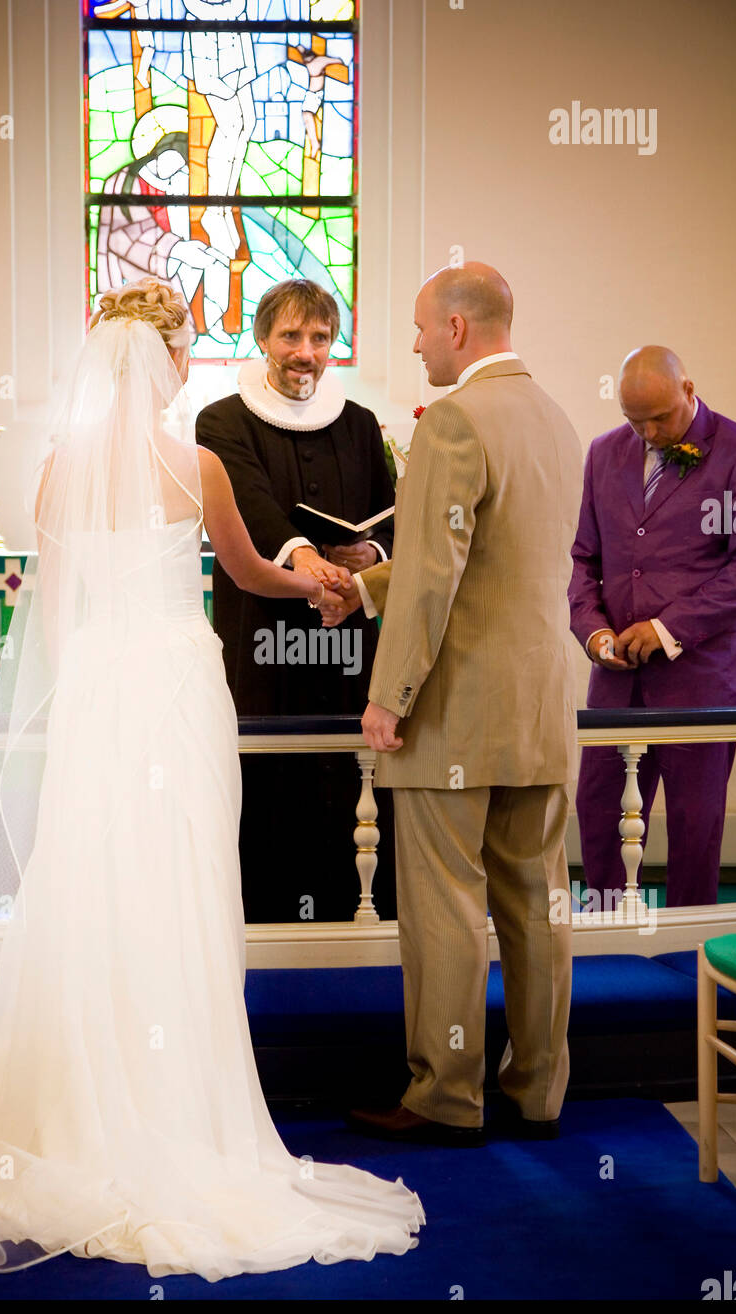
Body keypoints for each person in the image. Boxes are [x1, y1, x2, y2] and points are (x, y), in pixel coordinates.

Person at [0, 276, 424, 1279]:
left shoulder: (59, 469)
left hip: (103, 686)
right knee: (180, 887)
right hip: (179, 688)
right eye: (186, 346)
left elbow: (52, 609)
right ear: (170, 359)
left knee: (90, 881)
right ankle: (181, 1114)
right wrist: (325, 578)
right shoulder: (194, 463)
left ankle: (70, 1118)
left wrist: (78, 693)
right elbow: (246, 573)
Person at [320, 264, 582, 1143]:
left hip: (457, 713)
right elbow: (491, 564)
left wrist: (389, 698)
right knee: (537, 908)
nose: (420, 343)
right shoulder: (555, 418)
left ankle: (445, 1097)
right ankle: (538, 1091)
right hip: (540, 708)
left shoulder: (455, 423)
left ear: (460, 330)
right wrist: (363, 593)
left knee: (445, 912)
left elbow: (437, 575)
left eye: (424, 328)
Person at [195, 279, 397, 924]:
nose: (304, 352)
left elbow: (391, 518)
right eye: (290, 336)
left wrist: (373, 554)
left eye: (318, 338)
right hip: (263, 642)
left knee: (347, 781)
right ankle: (263, 925)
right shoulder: (223, 421)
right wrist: (305, 557)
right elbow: (249, 504)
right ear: (261, 339)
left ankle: (352, 918)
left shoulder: (361, 425)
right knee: (267, 785)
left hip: (347, 648)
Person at [569, 345, 736, 907]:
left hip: (701, 678)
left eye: (660, 417)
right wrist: (593, 632)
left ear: (689, 390)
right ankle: (608, 931)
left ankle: (691, 953)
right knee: (597, 807)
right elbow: (585, 561)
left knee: (696, 820)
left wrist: (667, 629)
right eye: (633, 419)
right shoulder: (602, 454)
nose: (648, 432)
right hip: (615, 680)